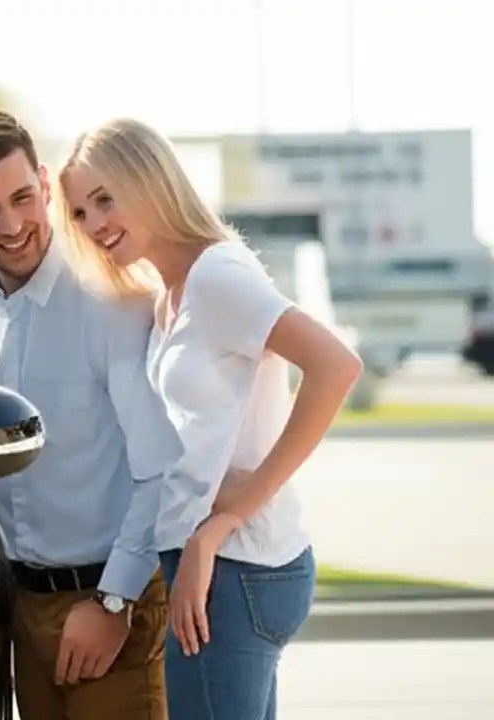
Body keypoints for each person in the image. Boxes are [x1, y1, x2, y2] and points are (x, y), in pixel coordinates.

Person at [57, 117, 363, 720]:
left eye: (103, 200)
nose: (94, 225)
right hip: (212, 563)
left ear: (149, 182)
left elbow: (335, 366)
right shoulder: (173, 292)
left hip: (237, 567)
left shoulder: (217, 277)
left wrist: (219, 527)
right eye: (79, 214)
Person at [0, 109, 182, 720]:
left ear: (45, 185)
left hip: (112, 602)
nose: (13, 225)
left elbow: (163, 471)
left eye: (22, 197)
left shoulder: (110, 300)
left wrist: (114, 604)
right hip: (20, 612)